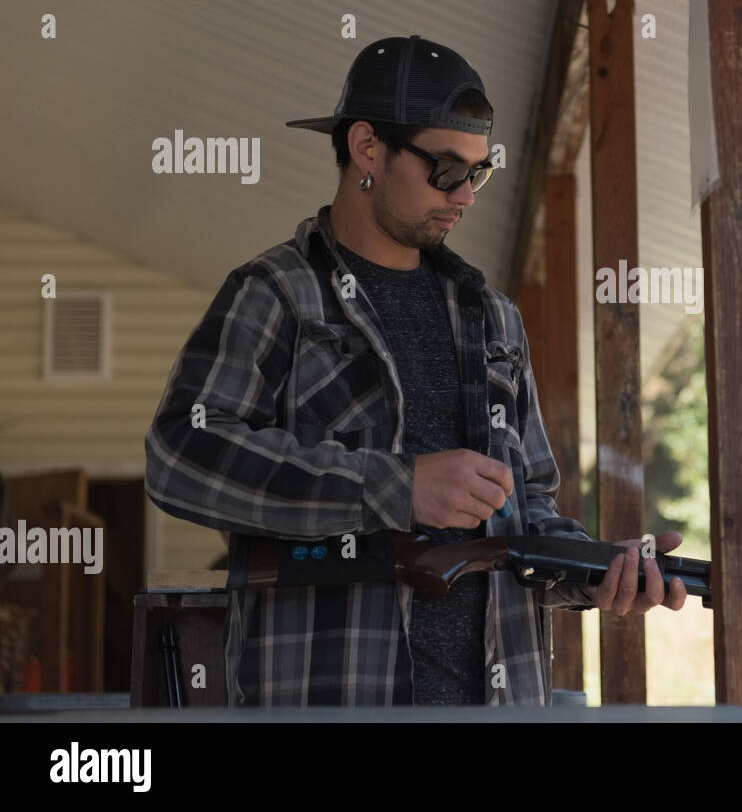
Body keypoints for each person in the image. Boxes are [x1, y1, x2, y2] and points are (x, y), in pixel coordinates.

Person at [144, 35, 686, 707]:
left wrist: (600, 569)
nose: (466, 196)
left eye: (479, 173)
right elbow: (180, 454)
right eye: (445, 170)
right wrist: (393, 487)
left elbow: (528, 513)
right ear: (368, 147)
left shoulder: (495, 319)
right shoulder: (275, 294)